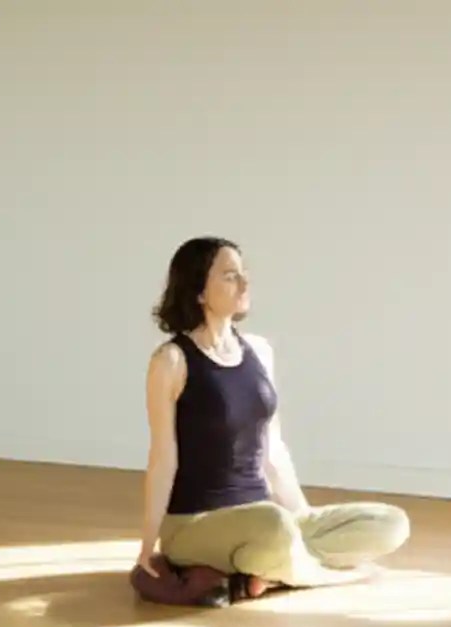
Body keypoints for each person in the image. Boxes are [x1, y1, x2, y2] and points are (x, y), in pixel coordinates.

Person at [136, 236, 410, 603]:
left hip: (264, 519)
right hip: (195, 524)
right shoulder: (171, 361)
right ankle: (321, 575)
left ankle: (261, 569)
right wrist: (149, 546)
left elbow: (273, 449)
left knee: (390, 523)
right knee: (273, 525)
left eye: (244, 274)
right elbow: (162, 458)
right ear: (199, 291)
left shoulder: (259, 351)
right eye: (231, 276)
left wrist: (303, 516)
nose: (245, 284)